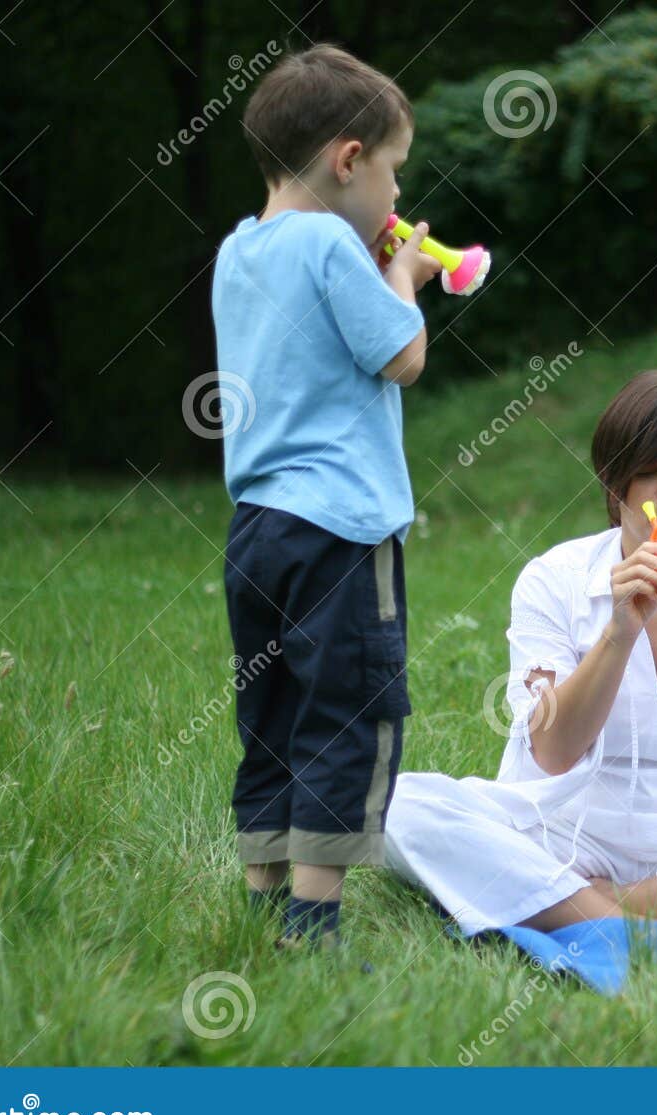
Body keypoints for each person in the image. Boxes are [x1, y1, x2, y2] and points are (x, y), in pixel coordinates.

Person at [383, 372, 657, 933]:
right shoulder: (553, 582)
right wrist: (619, 631)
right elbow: (550, 751)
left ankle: (591, 911)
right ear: (614, 486)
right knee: (402, 805)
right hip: (569, 827)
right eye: (647, 471)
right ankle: (649, 923)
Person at [213, 45, 441, 948]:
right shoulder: (328, 244)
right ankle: (315, 921)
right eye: (392, 172)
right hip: (343, 528)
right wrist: (406, 278)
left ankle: (264, 898)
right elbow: (402, 354)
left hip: (258, 528)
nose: (393, 197)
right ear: (349, 159)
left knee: (270, 710)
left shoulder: (241, 248)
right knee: (349, 707)